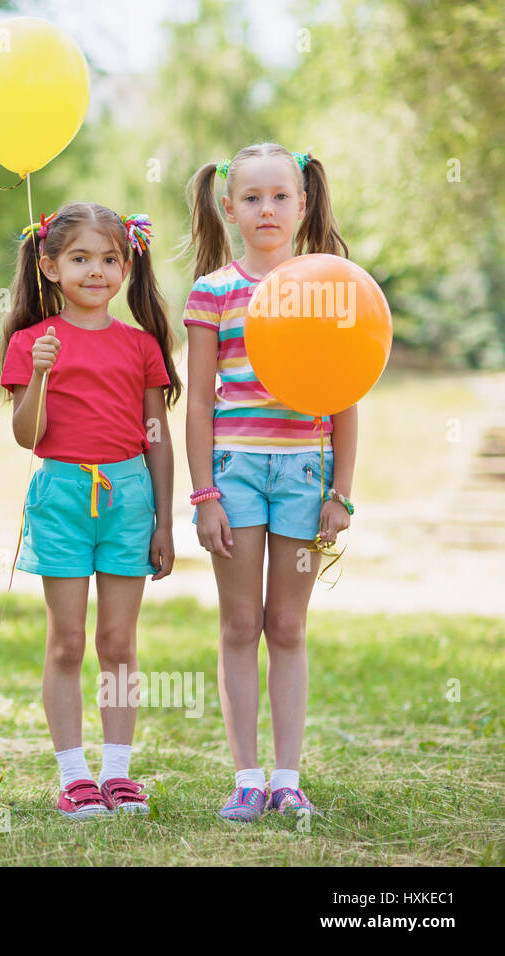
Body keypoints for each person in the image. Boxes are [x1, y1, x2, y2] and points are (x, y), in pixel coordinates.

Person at [183, 143, 356, 821]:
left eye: (280, 196)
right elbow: (198, 403)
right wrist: (204, 496)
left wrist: (340, 492)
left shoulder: (329, 288)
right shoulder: (213, 292)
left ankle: (288, 776)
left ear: (303, 203)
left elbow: (346, 397)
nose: (266, 210)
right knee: (239, 622)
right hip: (236, 473)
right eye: (251, 198)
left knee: (286, 624)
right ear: (228, 209)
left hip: (305, 474)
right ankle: (247, 777)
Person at [0, 202, 179, 819]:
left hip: (129, 496)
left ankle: (119, 772)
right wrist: (42, 377)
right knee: (68, 640)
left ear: (126, 265)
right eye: (80, 259)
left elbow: (157, 433)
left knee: (118, 640)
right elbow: (28, 436)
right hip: (62, 497)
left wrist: (165, 520)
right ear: (50, 266)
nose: (96, 271)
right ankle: (74, 775)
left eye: (109, 259)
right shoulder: (31, 344)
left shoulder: (141, 345)